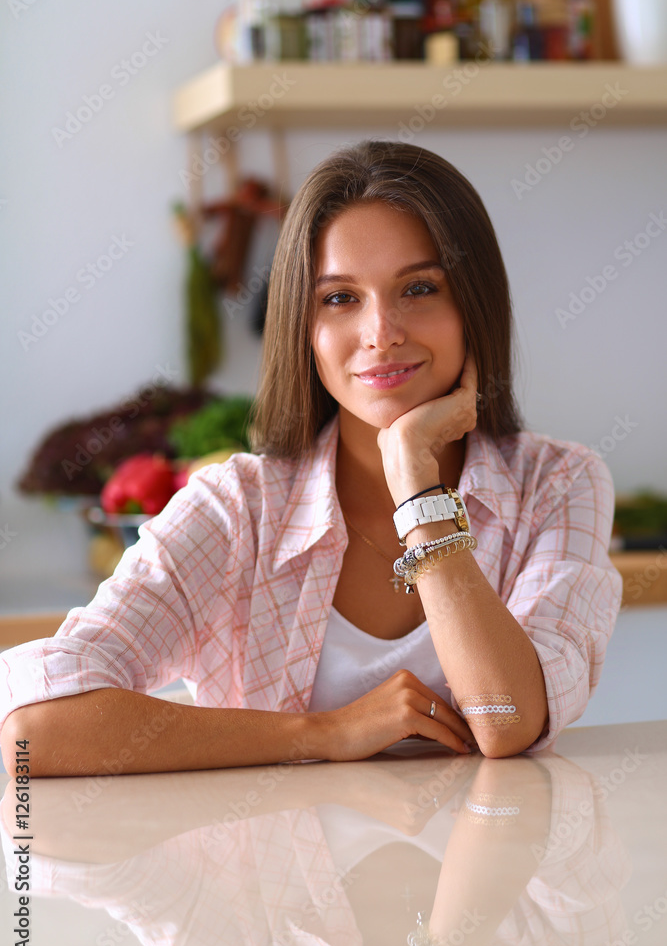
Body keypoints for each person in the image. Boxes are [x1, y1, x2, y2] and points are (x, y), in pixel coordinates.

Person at [0, 140, 622, 777]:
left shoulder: (558, 484)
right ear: (303, 325)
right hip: (276, 877)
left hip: (486, 867)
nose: (381, 331)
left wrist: (415, 478)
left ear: (475, 305)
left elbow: (505, 719)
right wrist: (325, 732)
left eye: (419, 287)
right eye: (340, 298)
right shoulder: (238, 510)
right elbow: (36, 733)